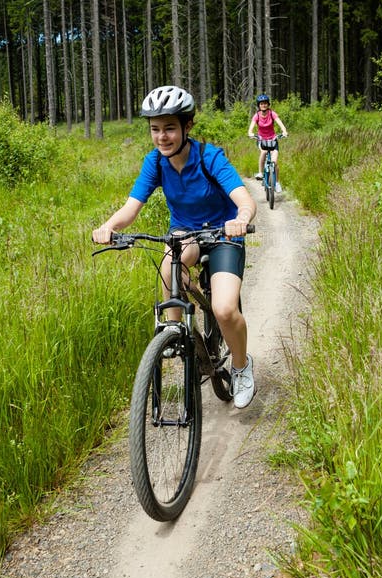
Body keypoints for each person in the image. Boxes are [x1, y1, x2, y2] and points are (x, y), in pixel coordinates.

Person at [92, 85, 258, 409]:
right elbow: (131, 207)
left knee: (225, 309)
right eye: (155, 129)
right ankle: (176, 334)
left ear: (187, 126)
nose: (161, 136)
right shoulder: (155, 162)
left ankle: (241, 366)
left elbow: (244, 200)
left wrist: (241, 218)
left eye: (169, 128)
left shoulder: (210, 157)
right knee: (170, 262)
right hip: (186, 233)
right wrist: (109, 226)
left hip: (223, 234)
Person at [247, 93, 288, 192]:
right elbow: (250, 128)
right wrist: (251, 133)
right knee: (264, 152)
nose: (263, 105)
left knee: (274, 162)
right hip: (261, 140)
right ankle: (261, 173)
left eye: (265, 103)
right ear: (259, 105)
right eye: (261, 104)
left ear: (268, 104)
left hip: (273, 140)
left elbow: (280, 123)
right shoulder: (256, 115)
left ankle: (277, 183)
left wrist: (284, 131)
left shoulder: (272, 113)